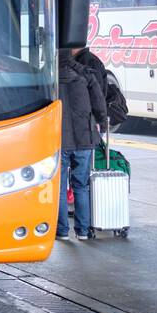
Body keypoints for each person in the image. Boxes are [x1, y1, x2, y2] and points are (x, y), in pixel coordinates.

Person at [57, 47, 108, 242]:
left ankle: (62, 232)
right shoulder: (86, 75)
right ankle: (83, 231)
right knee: (81, 185)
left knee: (60, 187)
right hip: (85, 137)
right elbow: (99, 104)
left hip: (59, 140)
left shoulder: (48, 77)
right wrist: (102, 123)